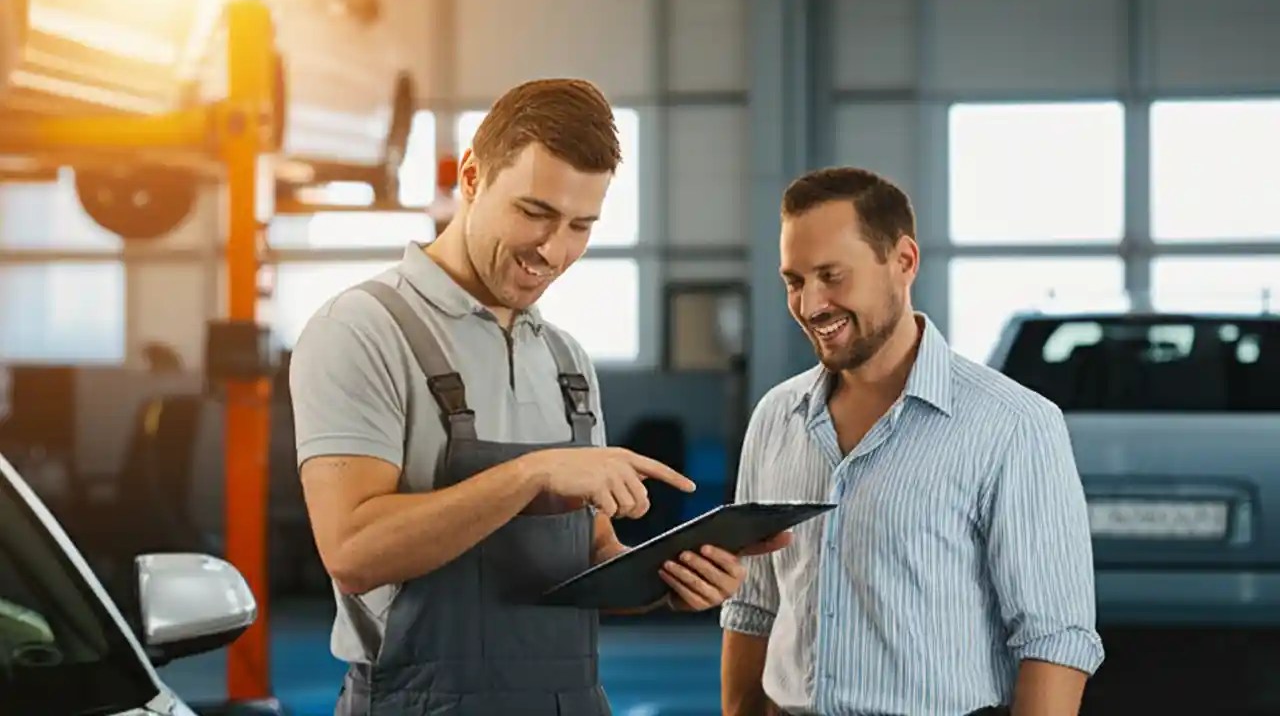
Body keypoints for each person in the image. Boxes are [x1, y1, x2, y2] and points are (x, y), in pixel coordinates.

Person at [288, 78, 789, 716]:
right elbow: (353, 553)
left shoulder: (567, 362)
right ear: (472, 177)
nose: (555, 251)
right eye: (534, 213)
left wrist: (667, 576)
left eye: (581, 225)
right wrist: (531, 473)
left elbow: (593, 557)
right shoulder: (360, 330)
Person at [719, 167, 1104, 715]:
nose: (810, 305)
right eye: (795, 281)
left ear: (903, 261)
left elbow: (1053, 642)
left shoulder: (1014, 425)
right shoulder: (777, 418)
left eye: (832, 275)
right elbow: (754, 608)